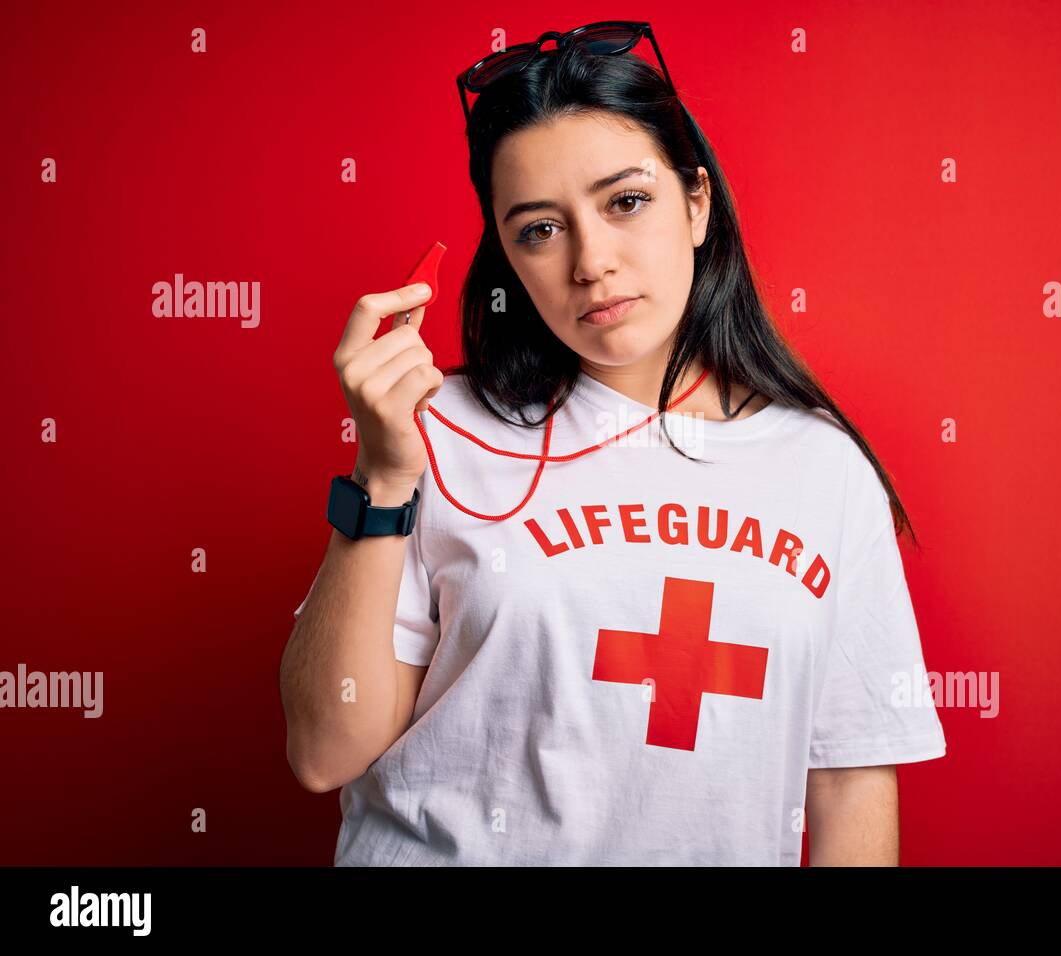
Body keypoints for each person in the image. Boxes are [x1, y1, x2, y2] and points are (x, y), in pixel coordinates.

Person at [280, 21, 946, 866]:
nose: (591, 260)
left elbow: (850, 781)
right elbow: (323, 752)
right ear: (510, 260)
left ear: (696, 203)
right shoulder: (436, 429)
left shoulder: (822, 468)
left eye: (626, 201)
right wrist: (381, 474)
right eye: (539, 230)